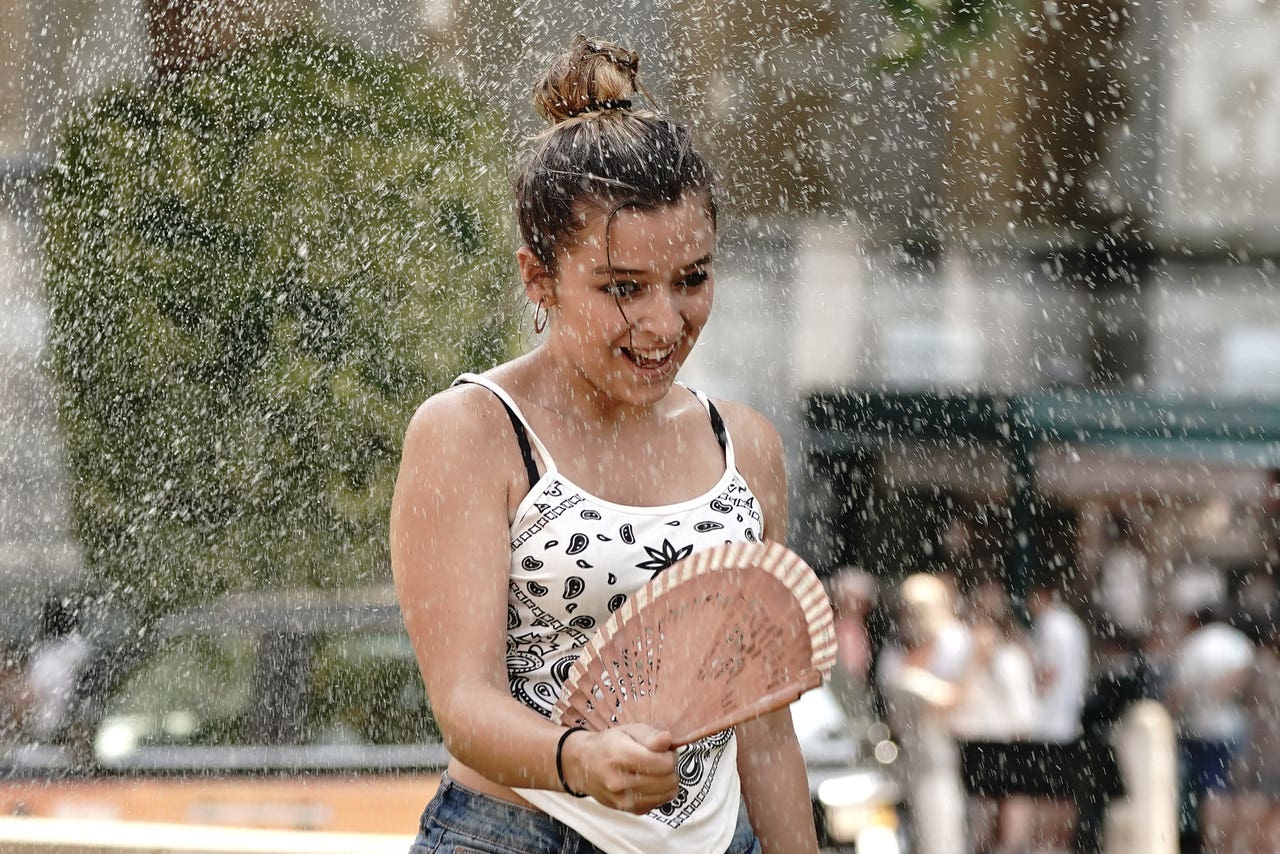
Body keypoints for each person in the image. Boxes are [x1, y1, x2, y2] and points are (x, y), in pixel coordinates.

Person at [390, 34, 816, 854]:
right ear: (537, 279)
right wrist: (579, 761)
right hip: (517, 835)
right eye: (623, 289)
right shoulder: (471, 433)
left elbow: (764, 733)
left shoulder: (747, 447)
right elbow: (464, 703)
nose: (664, 323)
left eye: (692, 278)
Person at [877, 572, 978, 854]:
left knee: (942, 840)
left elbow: (952, 702)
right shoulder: (897, 653)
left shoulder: (955, 642)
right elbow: (896, 717)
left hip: (944, 763)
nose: (910, 618)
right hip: (909, 764)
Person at [1027, 579, 1090, 743]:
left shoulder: (1051, 624)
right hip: (1069, 709)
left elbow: (1049, 671)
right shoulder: (1071, 622)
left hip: (1050, 715)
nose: (1030, 604)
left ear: (1043, 596)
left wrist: (1029, 696)